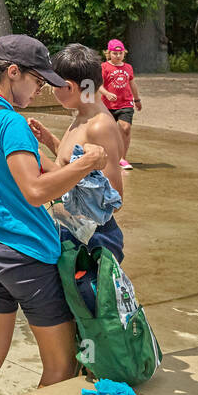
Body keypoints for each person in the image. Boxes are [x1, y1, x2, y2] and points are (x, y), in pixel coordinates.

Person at [0, 32, 108, 395]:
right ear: (12, 72)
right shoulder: (10, 123)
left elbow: (11, 173)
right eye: (37, 80)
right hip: (24, 253)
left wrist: (57, 154)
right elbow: (36, 191)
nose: (40, 90)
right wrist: (87, 163)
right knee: (62, 364)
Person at [28, 43, 126, 261]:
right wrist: (50, 141)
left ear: (69, 87)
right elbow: (78, 165)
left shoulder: (99, 127)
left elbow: (113, 200)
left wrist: (43, 162)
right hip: (74, 229)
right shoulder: (83, 115)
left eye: (53, 85)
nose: (51, 91)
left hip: (93, 241)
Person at [100, 39, 142, 169]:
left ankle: (122, 158)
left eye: (120, 53)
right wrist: (106, 93)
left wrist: (137, 99)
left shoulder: (128, 67)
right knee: (106, 131)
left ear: (124, 53)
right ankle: (106, 155)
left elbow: (132, 84)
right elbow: (98, 85)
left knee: (126, 128)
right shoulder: (104, 67)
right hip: (108, 105)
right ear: (108, 54)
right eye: (114, 53)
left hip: (125, 103)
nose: (118, 56)